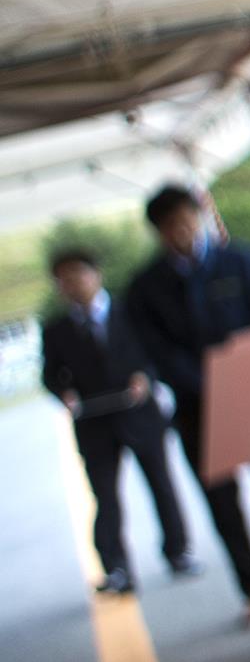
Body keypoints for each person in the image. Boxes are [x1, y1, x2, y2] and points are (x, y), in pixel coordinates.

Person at [129, 181, 250, 624]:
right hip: (195, 407)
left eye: (186, 219)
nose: (181, 230)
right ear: (159, 231)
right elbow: (155, 351)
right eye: (170, 225)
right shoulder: (146, 289)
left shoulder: (237, 260)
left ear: (199, 216)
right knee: (222, 503)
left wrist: (240, 375)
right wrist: (206, 385)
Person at [40, 246, 198, 597]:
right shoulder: (56, 329)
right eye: (64, 279)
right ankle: (116, 567)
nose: (73, 283)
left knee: (161, 484)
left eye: (78, 274)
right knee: (105, 496)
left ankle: (178, 551)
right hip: (94, 421)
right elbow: (50, 375)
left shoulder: (130, 311)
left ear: (95, 274)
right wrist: (64, 393)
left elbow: (156, 351)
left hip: (138, 412)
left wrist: (145, 376)